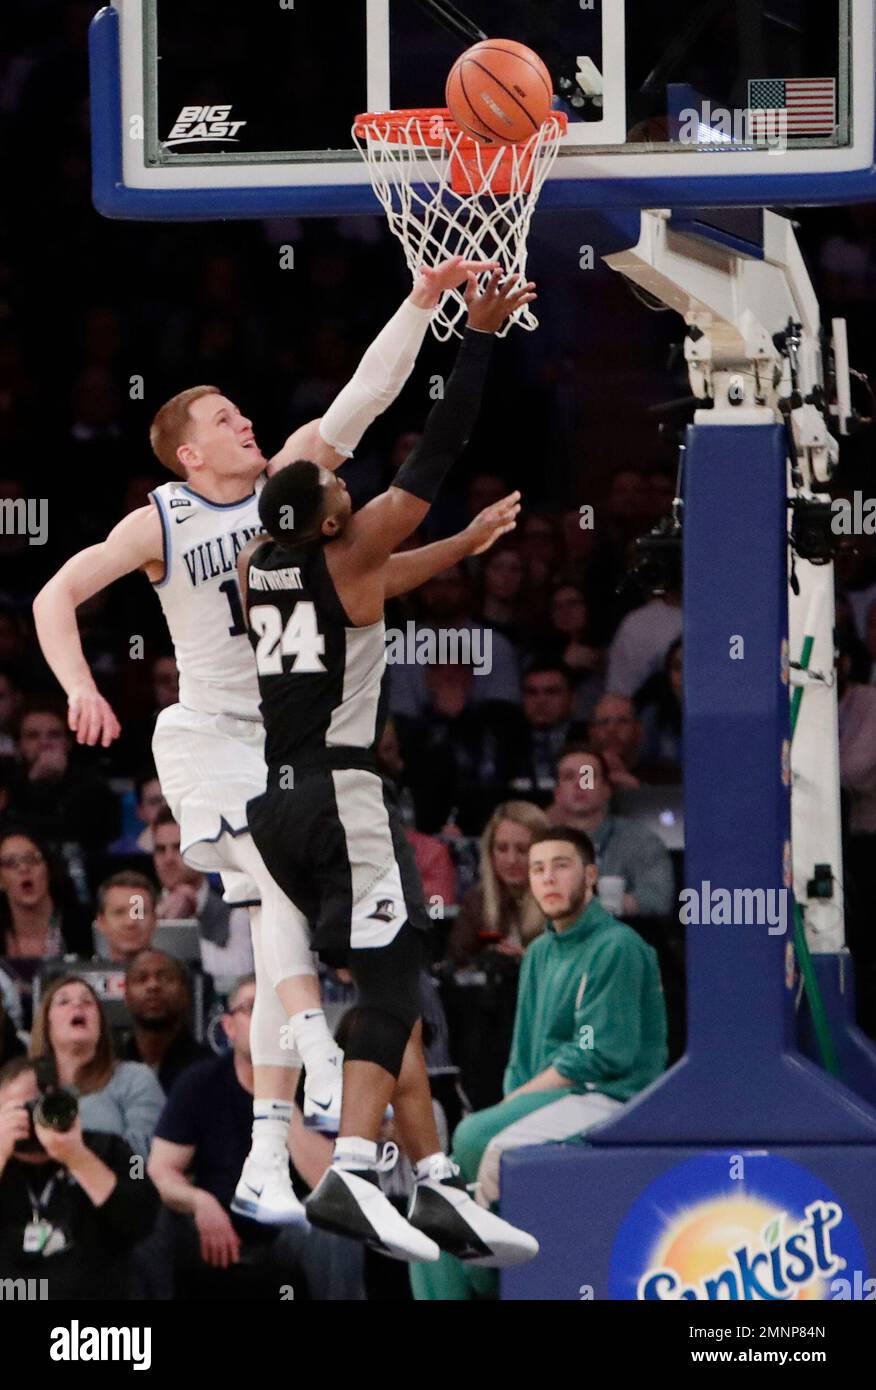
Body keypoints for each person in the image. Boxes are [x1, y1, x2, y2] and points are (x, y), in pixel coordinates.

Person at [33, 252, 505, 1226]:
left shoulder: (291, 483)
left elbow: (368, 395)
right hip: (208, 733)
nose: (243, 423)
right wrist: (81, 687)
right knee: (270, 886)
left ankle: (267, 1143)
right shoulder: (158, 519)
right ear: (186, 454)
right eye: (221, 419)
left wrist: (422, 301)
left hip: (289, 740)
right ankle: (321, 1062)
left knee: (277, 909)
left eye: (243, 413)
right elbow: (54, 594)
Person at [238, 269, 539, 1266]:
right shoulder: (349, 539)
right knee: (399, 979)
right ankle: (354, 1171)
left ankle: (439, 1183)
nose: (348, 482)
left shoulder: (263, 558)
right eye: (339, 491)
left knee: (387, 993)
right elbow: (434, 453)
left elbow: (369, 583)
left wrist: (459, 544)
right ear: (330, 521)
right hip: (340, 789)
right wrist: (480, 335)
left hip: (278, 801)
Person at [412, 825, 667, 1301]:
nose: (547, 879)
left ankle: (485, 1281)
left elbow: (595, 1057)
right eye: (537, 869)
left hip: (613, 1097)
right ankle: (468, 1275)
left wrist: (508, 1111)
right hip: (555, 1097)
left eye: (561, 866)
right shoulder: (540, 952)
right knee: (429, 1207)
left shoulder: (618, 946)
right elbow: (523, 1056)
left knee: (472, 1137)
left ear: (591, 876)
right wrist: (513, 1102)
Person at [148, 974, 364, 1300]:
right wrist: (199, 1201)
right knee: (151, 1219)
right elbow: (161, 1170)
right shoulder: (199, 1082)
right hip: (213, 1225)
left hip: (291, 1230)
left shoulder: (320, 1085)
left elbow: (330, 1183)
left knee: (337, 1224)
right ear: (229, 1027)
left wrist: (278, 1095)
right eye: (252, 1008)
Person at [0, 1057, 160, 1300]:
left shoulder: (115, 1149)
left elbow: (145, 1216)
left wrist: (77, 1157)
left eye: (45, 1107)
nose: (36, 1120)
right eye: (24, 1109)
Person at [30, 974, 164, 1160]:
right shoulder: (22, 1084)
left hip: (114, 1187)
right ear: (46, 1024)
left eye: (87, 1001)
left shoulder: (135, 1078)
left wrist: (80, 1153)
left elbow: (140, 1163)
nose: (77, 1005)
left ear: (101, 1023)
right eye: (63, 1002)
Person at [548, 747, 675, 918]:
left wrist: (586, 907)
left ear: (607, 789)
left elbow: (658, 900)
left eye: (588, 776)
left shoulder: (641, 839)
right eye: (569, 777)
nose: (579, 784)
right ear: (557, 793)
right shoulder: (541, 842)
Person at [152, 806, 253, 985]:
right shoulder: (143, 907)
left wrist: (181, 936)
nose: (168, 859)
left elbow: (241, 971)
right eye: (160, 850)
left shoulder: (237, 905)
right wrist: (163, 919)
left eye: (178, 848)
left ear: (202, 850)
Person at [449, 801, 548, 968]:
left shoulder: (560, 903)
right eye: (502, 849)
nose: (511, 860)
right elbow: (457, 961)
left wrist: (526, 960)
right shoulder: (476, 902)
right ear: (490, 853)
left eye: (522, 850)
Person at [121, 948, 209, 1094]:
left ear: (185, 993)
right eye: (141, 979)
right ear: (126, 996)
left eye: (165, 978)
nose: (153, 986)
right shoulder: (109, 1069)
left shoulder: (209, 1070)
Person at [0, 827, 93, 959]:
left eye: (32, 859)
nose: (24, 868)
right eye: (10, 863)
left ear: (48, 868)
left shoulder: (84, 925)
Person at [94, 870, 158, 963]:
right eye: (119, 912)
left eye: (139, 912)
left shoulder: (180, 974)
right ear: (101, 922)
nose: (130, 922)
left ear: (154, 920)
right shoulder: (83, 976)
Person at [587, 692, 645, 790]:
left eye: (623, 721)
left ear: (638, 731)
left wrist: (637, 790)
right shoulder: (579, 772)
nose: (612, 730)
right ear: (591, 733)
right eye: (603, 722)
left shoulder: (664, 775)